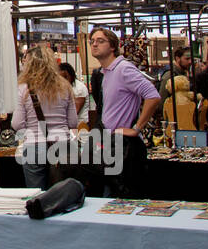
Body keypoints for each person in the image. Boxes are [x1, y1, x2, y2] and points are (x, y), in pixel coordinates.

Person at [88, 27, 160, 198]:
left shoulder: (123, 69)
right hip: (109, 145)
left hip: (123, 148)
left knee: (121, 198)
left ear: (113, 46)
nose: (95, 44)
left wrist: (136, 128)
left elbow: (153, 96)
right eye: (92, 41)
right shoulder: (105, 73)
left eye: (100, 41)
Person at [11, 47, 78, 189]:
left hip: (34, 146)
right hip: (63, 145)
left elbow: (17, 124)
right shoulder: (65, 87)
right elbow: (73, 122)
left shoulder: (23, 89)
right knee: (62, 195)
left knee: (37, 196)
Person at [58, 63, 91, 127]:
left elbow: (75, 111)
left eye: (65, 77)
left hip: (80, 125)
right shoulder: (63, 87)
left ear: (71, 75)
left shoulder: (79, 88)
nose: (63, 81)